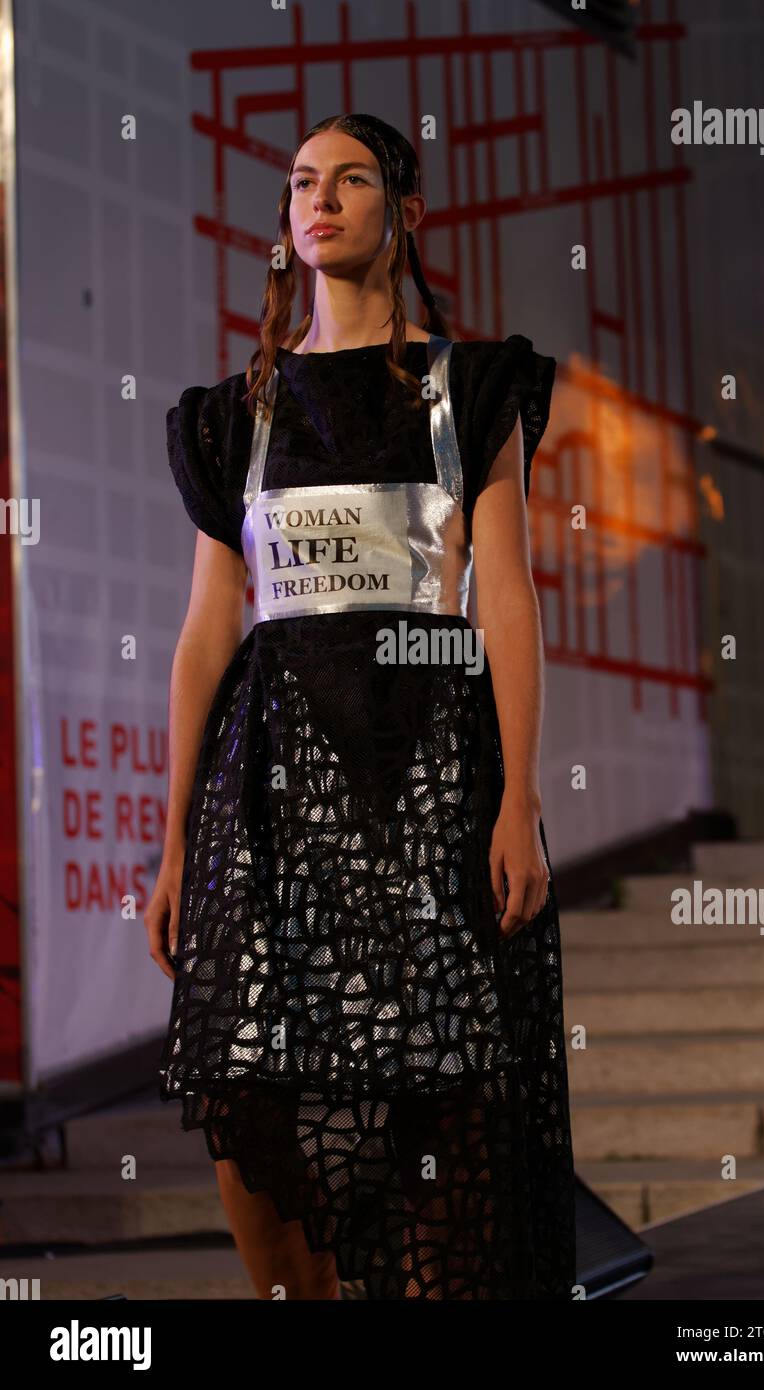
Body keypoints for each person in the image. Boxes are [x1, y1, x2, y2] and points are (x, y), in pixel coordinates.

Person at [146, 112, 576, 1301]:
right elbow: (203, 634)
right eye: (300, 183)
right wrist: (175, 836)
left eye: (350, 179)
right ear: (284, 222)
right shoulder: (236, 415)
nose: (319, 199)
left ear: (406, 212)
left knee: (446, 1074)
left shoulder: (473, 385)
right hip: (270, 785)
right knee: (240, 1070)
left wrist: (521, 797)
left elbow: (510, 597)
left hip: (431, 770)